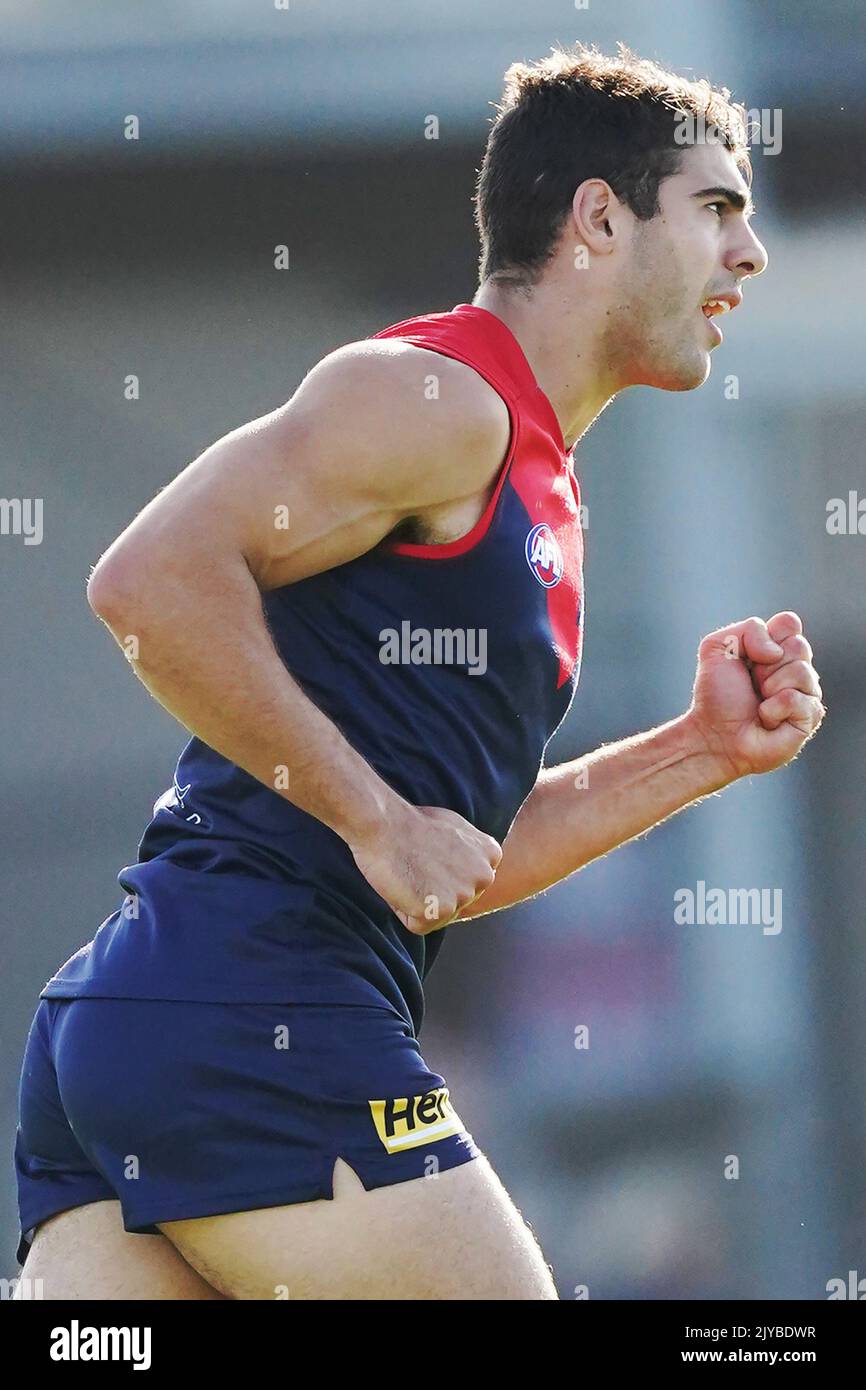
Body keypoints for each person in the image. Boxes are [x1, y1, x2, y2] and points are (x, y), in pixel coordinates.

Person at [13, 43, 823, 1300]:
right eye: (715, 208)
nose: (747, 254)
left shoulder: (534, 483)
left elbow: (455, 858)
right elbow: (146, 581)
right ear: (598, 217)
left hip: (142, 1030)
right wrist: (370, 814)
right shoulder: (437, 399)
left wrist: (699, 752)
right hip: (252, 1009)